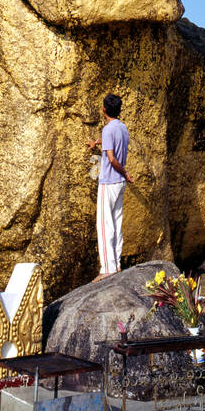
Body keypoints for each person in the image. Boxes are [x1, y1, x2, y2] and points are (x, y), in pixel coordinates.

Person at [87, 92, 134, 277]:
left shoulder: (108, 129)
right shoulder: (122, 127)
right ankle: (117, 265)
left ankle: (107, 270)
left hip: (109, 182)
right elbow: (110, 141)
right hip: (120, 184)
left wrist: (125, 172)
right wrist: (96, 142)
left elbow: (112, 158)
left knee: (105, 226)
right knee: (116, 223)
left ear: (103, 110)